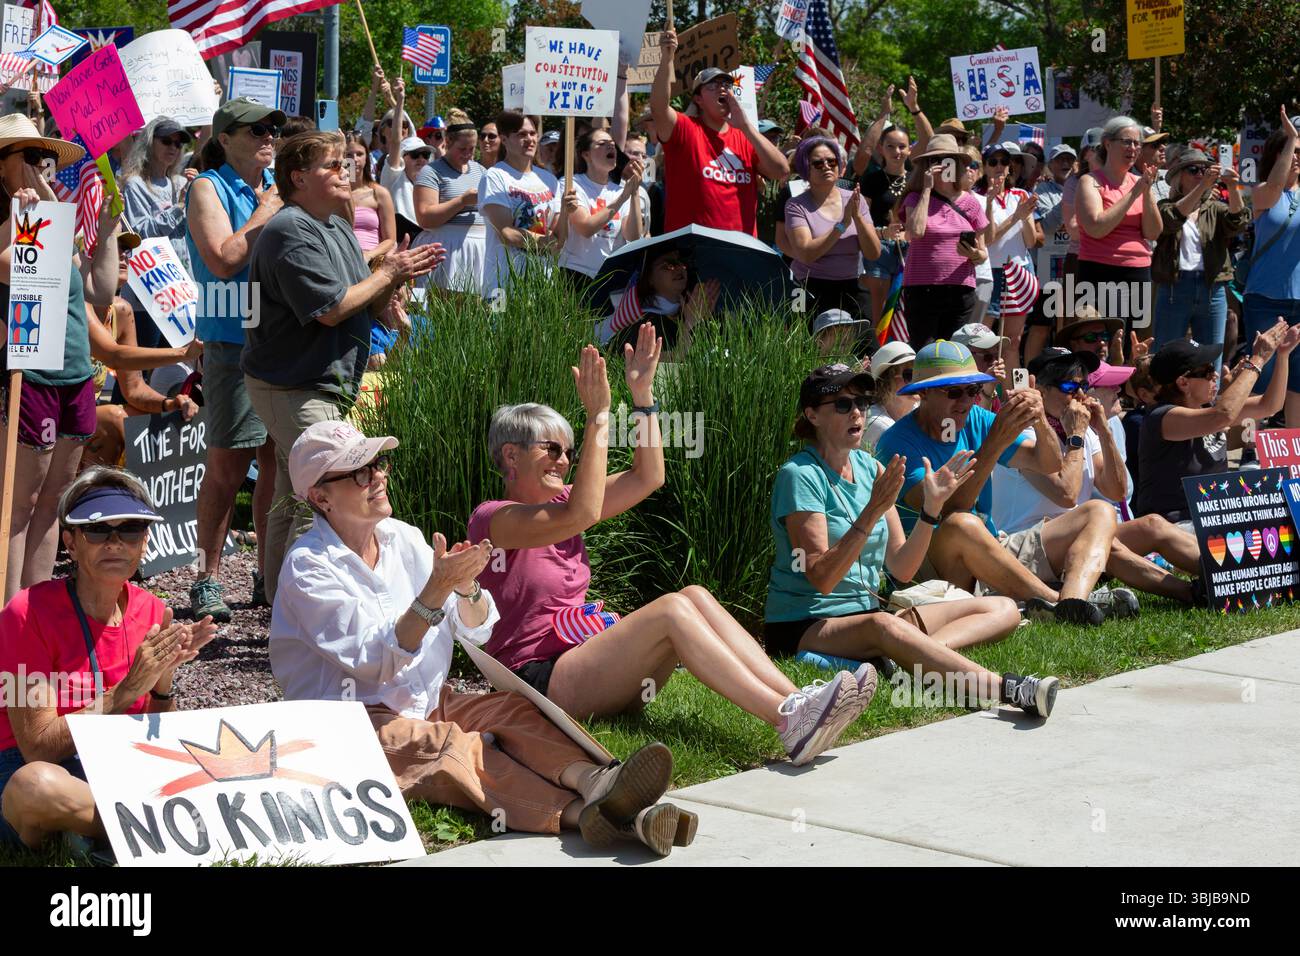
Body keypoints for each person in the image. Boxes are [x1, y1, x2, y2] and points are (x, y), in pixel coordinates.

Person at [268, 422, 694, 856]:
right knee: (452, 748)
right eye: (360, 472)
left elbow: (476, 627)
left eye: (378, 464)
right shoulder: (308, 567)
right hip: (352, 721)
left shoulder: (403, 538)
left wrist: (466, 587)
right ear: (321, 498)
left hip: (425, 699)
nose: (378, 477)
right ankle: (591, 816)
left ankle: (599, 783)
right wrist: (435, 591)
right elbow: (376, 660)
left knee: (515, 709)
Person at [468, 333, 872, 766]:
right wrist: (598, 417)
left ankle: (800, 701)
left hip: (591, 663)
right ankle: (786, 721)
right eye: (552, 449)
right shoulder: (492, 518)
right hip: (539, 682)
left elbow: (648, 477)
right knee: (669, 611)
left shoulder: (565, 501)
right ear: (510, 456)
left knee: (694, 595)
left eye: (568, 452)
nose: (564, 461)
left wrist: (643, 399)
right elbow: (580, 515)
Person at [765, 363, 1056, 718]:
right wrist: (872, 510)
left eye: (862, 402)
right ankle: (1008, 688)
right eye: (842, 405)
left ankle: (909, 655)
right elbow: (821, 578)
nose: (857, 412)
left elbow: (902, 567)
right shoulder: (800, 475)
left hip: (867, 617)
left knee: (1001, 608)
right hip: (806, 624)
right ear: (812, 415)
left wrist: (931, 511)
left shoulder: (869, 467)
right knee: (884, 625)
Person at [242, 132, 443, 605]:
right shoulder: (289, 230)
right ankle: (311, 607)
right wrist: (389, 273)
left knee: (294, 497)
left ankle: (278, 604)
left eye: (345, 164)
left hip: (320, 382)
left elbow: (358, 299)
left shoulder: (333, 224)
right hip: (292, 385)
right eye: (332, 166)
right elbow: (331, 309)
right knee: (328, 493)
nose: (345, 171)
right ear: (298, 177)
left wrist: (387, 298)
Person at [0, 117, 187, 602]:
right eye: (28, 157)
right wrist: (23, 220)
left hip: (73, 373)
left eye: (44, 159)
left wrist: (104, 232)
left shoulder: (50, 215)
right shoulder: (19, 218)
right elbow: (7, 265)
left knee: (52, 504)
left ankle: (35, 610)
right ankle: (9, 616)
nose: (40, 169)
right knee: (19, 504)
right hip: (29, 370)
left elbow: (99, 289)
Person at [0, 467, 217, 850]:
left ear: (144, 542)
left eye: (130, 530)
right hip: (26, 766)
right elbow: (37, 746)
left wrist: (162, 682)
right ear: (71, 541)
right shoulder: (27, 613)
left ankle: (97, 834)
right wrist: (127, 689)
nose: (115, 543)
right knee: (35, 786)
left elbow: (157, 735)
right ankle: (158, 833)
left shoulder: (151, 611)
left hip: (110, 763)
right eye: (97, 530)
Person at [875, 341, 1123, 625]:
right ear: (923, 393)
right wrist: (995, 442)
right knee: (962, 524)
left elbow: (1049, 463)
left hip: (992, 546)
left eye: (972, 390)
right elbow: (949, 510)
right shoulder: (896, 442)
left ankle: (1073, 601)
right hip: (930, 567)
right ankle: (1058, 605)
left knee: (1098, 511)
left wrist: (1039, 418)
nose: (966, 401)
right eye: (954, 392)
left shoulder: (976, 418)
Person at [990, 348, 1201, 606]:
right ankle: (1192, 592)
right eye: (1069, 387)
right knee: (1101, 527)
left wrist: (1103, 431)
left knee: (1152, 525)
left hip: (1072, 536)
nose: (1079, 395)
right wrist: (1076, 437)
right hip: (1026, 546)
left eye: (1084, 386)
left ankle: (1225, 573)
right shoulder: (1024, 431)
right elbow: (1066, 494)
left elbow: (1117, 491)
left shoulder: (1080, 428)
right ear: (1041, 391)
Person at [186, 96, 286, 621]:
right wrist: (267, 212)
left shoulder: (272, 188)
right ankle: (205, 578)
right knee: (228, 465)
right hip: (230, 337)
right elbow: (224, 259)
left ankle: (267, 573)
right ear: (225, 138)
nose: (268, 134)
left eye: (273, 127)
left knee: (274, 459)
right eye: (255, 129)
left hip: (277, 336)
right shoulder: (208, 186)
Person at [1136, 322, 1300, 525]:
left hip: (1213, 520)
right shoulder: (1162, 417)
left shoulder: (1206, 412)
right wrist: (1257, 359)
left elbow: (1269, 406)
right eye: (1206, 371)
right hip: (1177, 525)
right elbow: (1223, 415)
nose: (1214, 375)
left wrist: (1282, 356)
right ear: (1183, 383)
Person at [650, 29, 789, 235]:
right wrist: (667, 58)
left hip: (740, 251)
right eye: (713, 85)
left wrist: (747, 127)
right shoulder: (686, 128)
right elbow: (659, 108)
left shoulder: (745, 136)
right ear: (698, 99)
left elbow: (781, 171)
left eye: (726, 84)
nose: (722, 89)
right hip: (694, 250)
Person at [1153, 148, 1248, 359]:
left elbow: (1238, 222)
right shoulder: (1164, 206)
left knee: (1211, 356)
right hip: (1174, 288)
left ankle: (1208, 393)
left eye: (1204, 170)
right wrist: (1204, 185)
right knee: (1165, 355)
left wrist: (1233, 187)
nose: (1200, 174)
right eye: (1194, 170)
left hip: (1212, 288)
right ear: (1180, 177)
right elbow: (1171, 219)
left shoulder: (1215, 208)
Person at [1075, 116, 1163, 340]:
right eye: (1127, 141)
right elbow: (1096, 227)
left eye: (1137, 143)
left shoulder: (1139, 182)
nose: (1133, 148)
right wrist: (1134, 193)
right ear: (1107, 143)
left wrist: (1145, 191)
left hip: (1137, 272)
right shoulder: (1090, 181)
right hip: (1098, 273)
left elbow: (1153, 232)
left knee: (1132, 346)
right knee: (1099, 344)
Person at [899, 134, 990, 343]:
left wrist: (973, 253)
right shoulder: (915, 197)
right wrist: (927, 188)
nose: (941, 165)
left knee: (954, 354)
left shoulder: (971, 203)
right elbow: (915, 232)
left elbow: (983, 254)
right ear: (926, 166)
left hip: (960, 288)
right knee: (925, 352)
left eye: (948, 160)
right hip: (922, 289)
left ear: (957, 164)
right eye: (935, 160)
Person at [1242, 109, 1300, 425]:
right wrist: (1292, 136)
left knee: (1299, 383)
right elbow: (1277, 186)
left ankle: (1294, 453)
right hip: (1265, 299)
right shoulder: (1263, 192)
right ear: (1277, 153)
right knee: (1260, 377)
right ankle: (1253, 449)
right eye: (1290, 150)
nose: (1295, 157)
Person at [784, 137, 880, 327]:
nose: (826, 166)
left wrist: (857, 218)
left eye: (832, 161)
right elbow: (805, 253)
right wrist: (842, 224)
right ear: (805, 168)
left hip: (851, 287)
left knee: (869, 352)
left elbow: (873, 253)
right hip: (809, 289)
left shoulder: (855, 199)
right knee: (811, 353)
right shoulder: (796, 205)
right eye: (818, 163)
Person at [119, 116, 194, 349]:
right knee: (139, 370)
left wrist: (199, 194)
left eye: (178, 143)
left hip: (180, 291)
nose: (173, 147)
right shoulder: (135, 184)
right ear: (150, 143)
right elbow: (139, 233)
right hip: (148, 290)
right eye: (166, 141)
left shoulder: (182, 183)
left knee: (174, 369)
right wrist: (178, 209)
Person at [551, 128, 644, 312]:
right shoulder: (571, 183)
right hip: (577, 276)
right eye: (602, 144)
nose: (611, 146)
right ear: (586, 154)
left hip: (610, 278)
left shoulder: (619, 191)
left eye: (612, 144)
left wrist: (633, 193)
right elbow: (586, 228)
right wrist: (623, 197)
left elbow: (633, 236)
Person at [480, 111, 562, 300]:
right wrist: (544, 242)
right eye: (521, 134)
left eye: (533, 134)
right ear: (504, 139)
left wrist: (566, 210)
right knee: (498, 330)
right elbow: (507, 233)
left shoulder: (549, 180)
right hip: (502, 286)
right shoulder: (495, 176)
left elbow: (559, 238)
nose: (529, 139)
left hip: (543, 284)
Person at [979, 141, 1042, 362]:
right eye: (993, 161)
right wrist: (1016, 216)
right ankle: (979, 392)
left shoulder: (1020, 195)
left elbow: (1031, 241)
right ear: (984, 166)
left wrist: (1024, 216)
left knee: (1012, 342)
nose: (999, 166)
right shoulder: (976, 197)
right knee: (980, 341)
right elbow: (987, 239)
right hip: (989, 274)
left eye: (1004, 161)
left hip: (1018, 271)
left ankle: (1011, 393)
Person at [413, 109, 487, 296]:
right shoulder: (431, 171)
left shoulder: (480, 171)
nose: (468, 154)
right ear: (448, 143)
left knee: (483, 311)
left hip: (479, 250)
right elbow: (425, 217)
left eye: (472, 149)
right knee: (447, 313)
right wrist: (462, 201)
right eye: (462, 149)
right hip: (447, 250)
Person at [596, 248, 720, 356]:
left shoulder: (691, 308)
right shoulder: (644, 323)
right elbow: (666, 366)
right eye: (668, 265)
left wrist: (706, 322)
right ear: (649, 278)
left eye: (681, 262)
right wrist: (691, 323)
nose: (679, 267)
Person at [858, 111, 911, 330]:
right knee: (879, 315)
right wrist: (882, 233)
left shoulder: (917, 179)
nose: (897, 152)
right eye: (890, 146)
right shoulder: (871, 179)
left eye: (901, 146)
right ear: (881, 148)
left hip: (909, 250)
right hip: (877, 250)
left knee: (905, 313)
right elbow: (862, 218)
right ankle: (879, 359)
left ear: (910, 149)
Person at [343, 131, 396, 265]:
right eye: (349, 155)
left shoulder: (379, 193)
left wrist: (368, 255)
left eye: (359, 154)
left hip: (370, 261)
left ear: (367, 157)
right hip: (342, 260)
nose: (354, 159)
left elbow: (390, 240)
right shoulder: (334, 193)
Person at [862, 341, 917, 450]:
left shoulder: (918, 409)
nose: (917, 381)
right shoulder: (879, 424)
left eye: (919, 373)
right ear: (886, 382)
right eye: (909, 375)